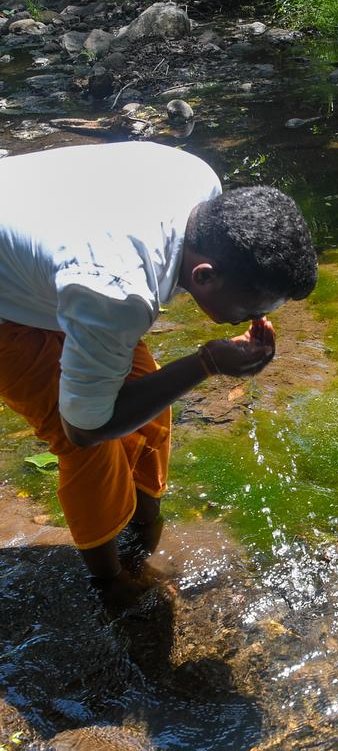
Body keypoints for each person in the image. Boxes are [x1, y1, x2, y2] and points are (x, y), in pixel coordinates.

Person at [0, 141, 318, 612]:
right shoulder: (116, 288)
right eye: (249, 308)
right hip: (14, 299)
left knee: (149, 406)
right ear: (205, 276)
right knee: (93, 449)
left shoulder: (199, 185)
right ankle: (109, 584)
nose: (248, 319)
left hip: (42, 251)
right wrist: (206, 363)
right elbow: (85, 429)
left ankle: (145, 529)